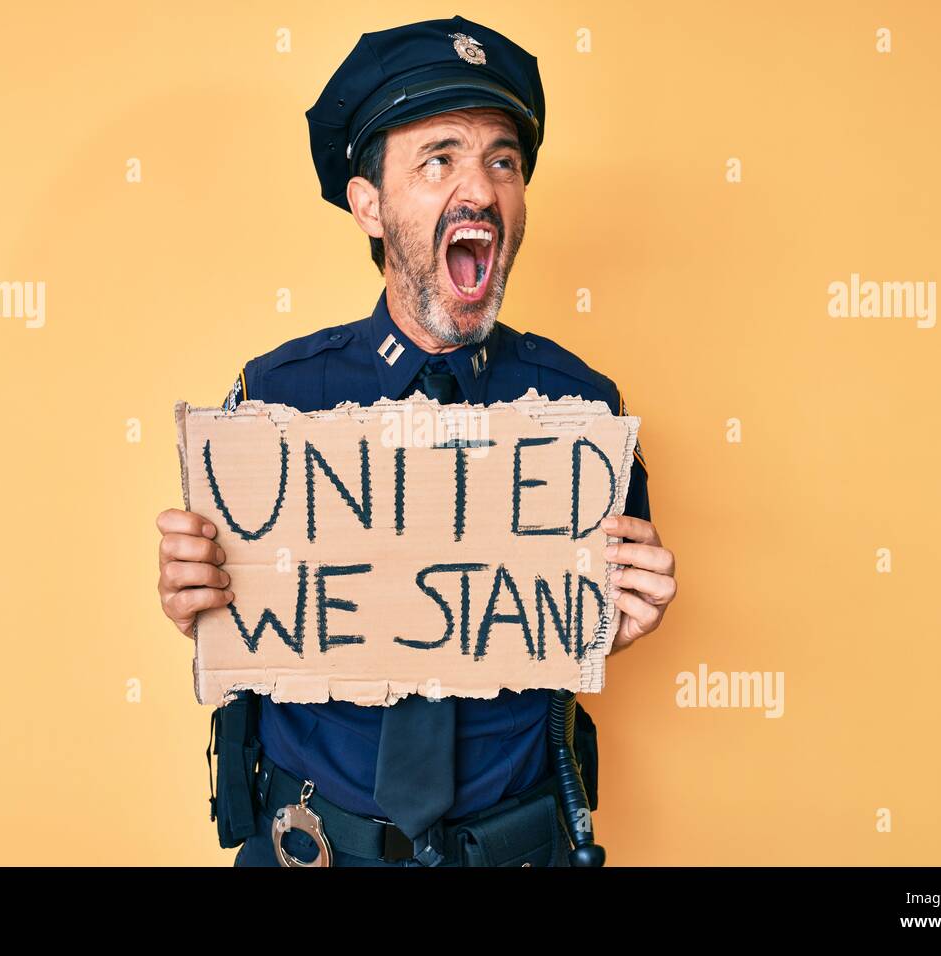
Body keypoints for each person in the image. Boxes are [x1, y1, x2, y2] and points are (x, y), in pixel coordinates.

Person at [155, 14, 677, 867]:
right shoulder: (274, 401)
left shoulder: (582, 413)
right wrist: (196, 597)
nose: (481, 189)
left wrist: (616, 620)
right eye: (440, 158)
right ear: (370, 203)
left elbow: (591, 608)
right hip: (312, 850)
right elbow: (239, 609)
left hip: (516, 849)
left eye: (502, 161)